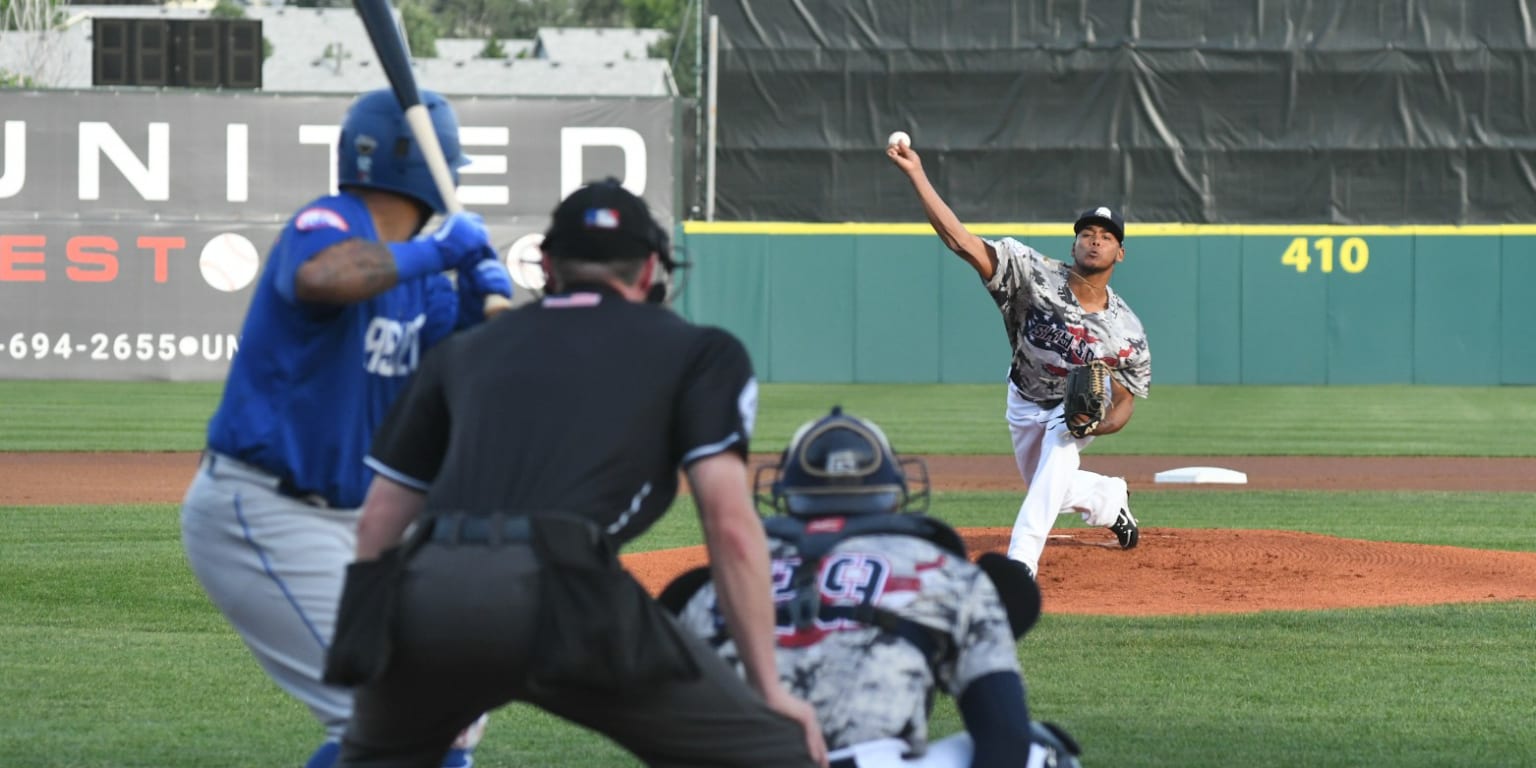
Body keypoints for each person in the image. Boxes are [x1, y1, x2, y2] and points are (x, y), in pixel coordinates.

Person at [334, 179, 827, 767]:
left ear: (546, 265)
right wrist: (768, 688)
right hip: (565, 588)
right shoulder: (700, 351)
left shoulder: (465, 351)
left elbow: (378, 524)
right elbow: (729, 524)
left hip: (429, 591)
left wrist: (367, 647)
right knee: (775, 752)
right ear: (650, 270)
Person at [179, 89, 511, 768]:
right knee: (393, 716)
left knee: (446, 716)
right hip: (265, 511)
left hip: (355, 524)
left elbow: (470, 377)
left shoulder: (423, 281)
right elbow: (325, 277)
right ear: (428, 169)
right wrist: (442, 251)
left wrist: (484, 302)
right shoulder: (331, 221)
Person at [666, 406, 1082, 768]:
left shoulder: (713, 588)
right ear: (894, 493)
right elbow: (1004, 740)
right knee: (1041, 752)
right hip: (869, 760)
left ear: (786, 494)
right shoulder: (945, 573)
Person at [886, 142, 1152, 578]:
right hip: (1023, 397)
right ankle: (1108, 498)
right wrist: (916, 173)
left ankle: (1020, 564)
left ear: (1119, 253)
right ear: (1074, 244)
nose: (1095, 240)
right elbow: (960, 241)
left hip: (1068, 411)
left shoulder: (1126, 331)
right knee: (1046, 487)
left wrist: (1095, 425)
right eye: (1087, 233)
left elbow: (1124, 401)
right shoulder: (1031, 272)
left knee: (1059, 456)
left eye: (1106, 236)